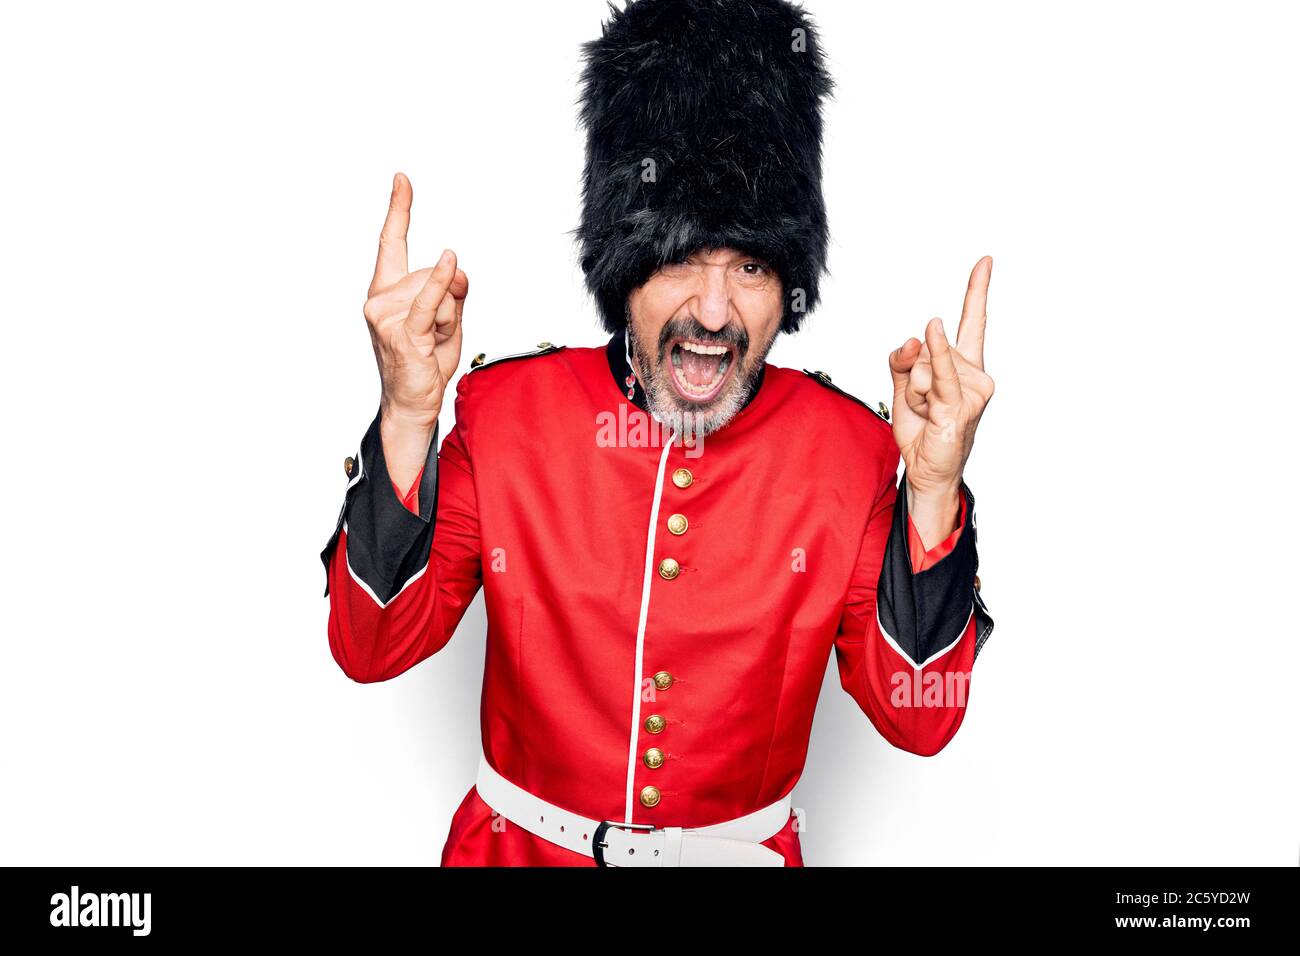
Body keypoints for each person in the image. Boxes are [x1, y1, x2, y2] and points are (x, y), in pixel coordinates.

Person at [321, 0, 995, 867]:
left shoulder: (850, 453)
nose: (714, 313)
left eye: (751, 266)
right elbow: (370, 648)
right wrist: (408, 410)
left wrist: (933, 489)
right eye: (681, 257)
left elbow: (921, 717)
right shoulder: (506, 417)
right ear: (621, 263)